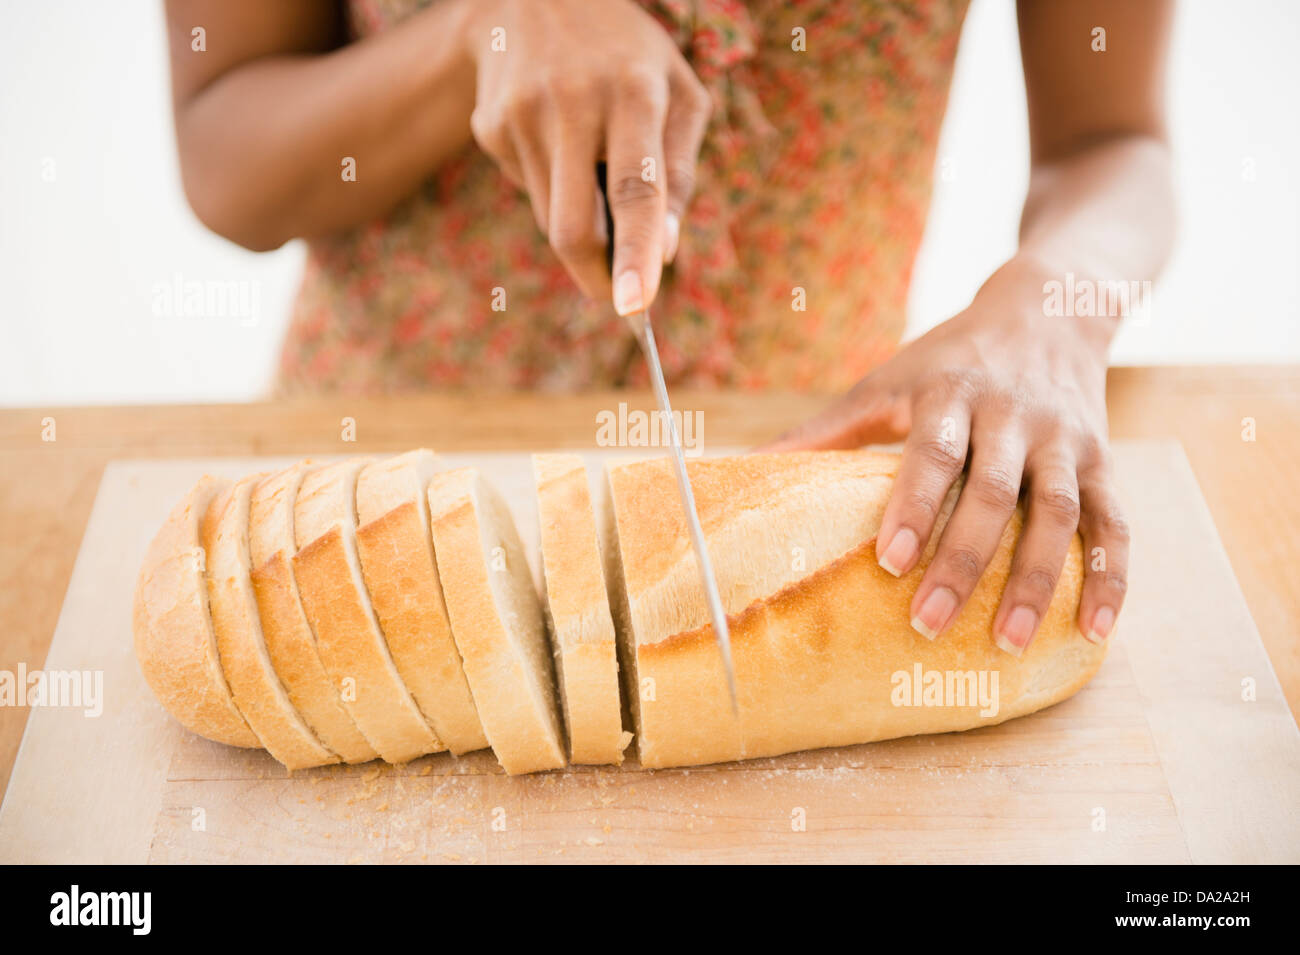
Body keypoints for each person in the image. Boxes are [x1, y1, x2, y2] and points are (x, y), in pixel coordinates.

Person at [165, 0, 1174, 656]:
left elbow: (1114, 142)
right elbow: (222, 150)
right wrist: (473, 38)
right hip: (373, 472)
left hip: (814, 472)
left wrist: (1055, 302)